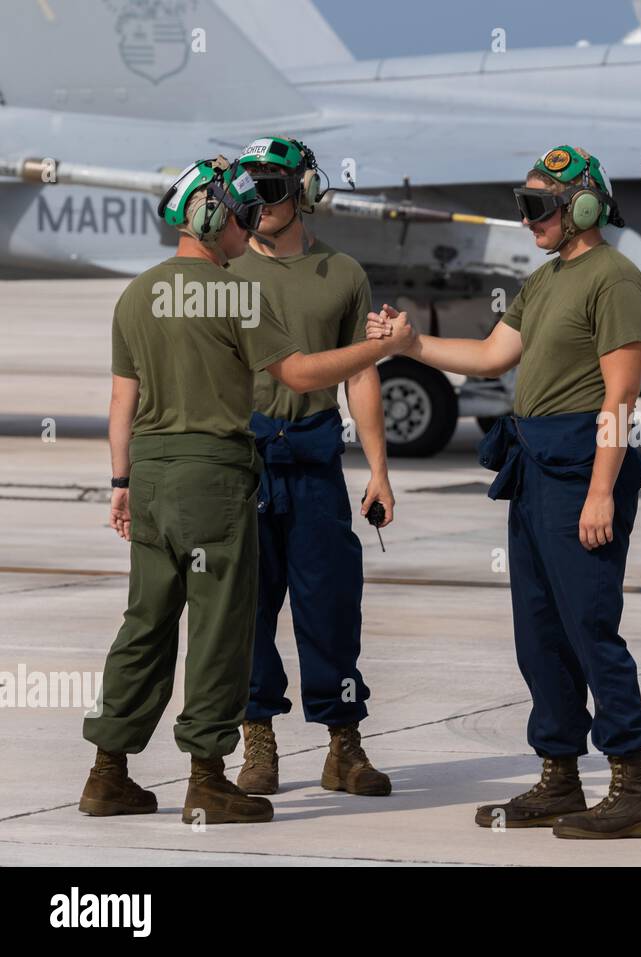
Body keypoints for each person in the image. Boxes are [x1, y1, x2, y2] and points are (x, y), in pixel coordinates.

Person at [80, 156, 414, 825]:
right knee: (222, 627)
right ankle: (208, 776)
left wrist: (120, 481)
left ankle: (108, 772)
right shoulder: (234, 293)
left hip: (150, 474)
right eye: (237, 213)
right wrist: (383, 349)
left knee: (145, 624)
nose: (248, 221)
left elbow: (122, 399)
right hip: (217, 473)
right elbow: (299, 372)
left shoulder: (136, 293)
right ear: (211, 219)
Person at [367, 145, 641, 839]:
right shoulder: (544, 279)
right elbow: (490, 356)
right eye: (523, 205)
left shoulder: (614, 280)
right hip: (532, 468)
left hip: (579, 470)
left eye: (537, 206)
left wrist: (601, 492)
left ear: (581, 207)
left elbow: (620, 395)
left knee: (591, 628)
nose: (526, 219)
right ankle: (559, 775)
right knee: (540, 632)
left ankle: (632, 786)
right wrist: (410, 345)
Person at [227, 135, 393, 798]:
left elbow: (361, 375)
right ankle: (257, 737)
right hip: (244, 459)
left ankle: (343, 743)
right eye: (249, 187)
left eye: (272, 187)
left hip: (317, 455)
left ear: (305, 192)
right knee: (245, 608)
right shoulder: (223, 272)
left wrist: (378, 467)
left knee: (331, 607)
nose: (258, 201)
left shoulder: (345, 274)